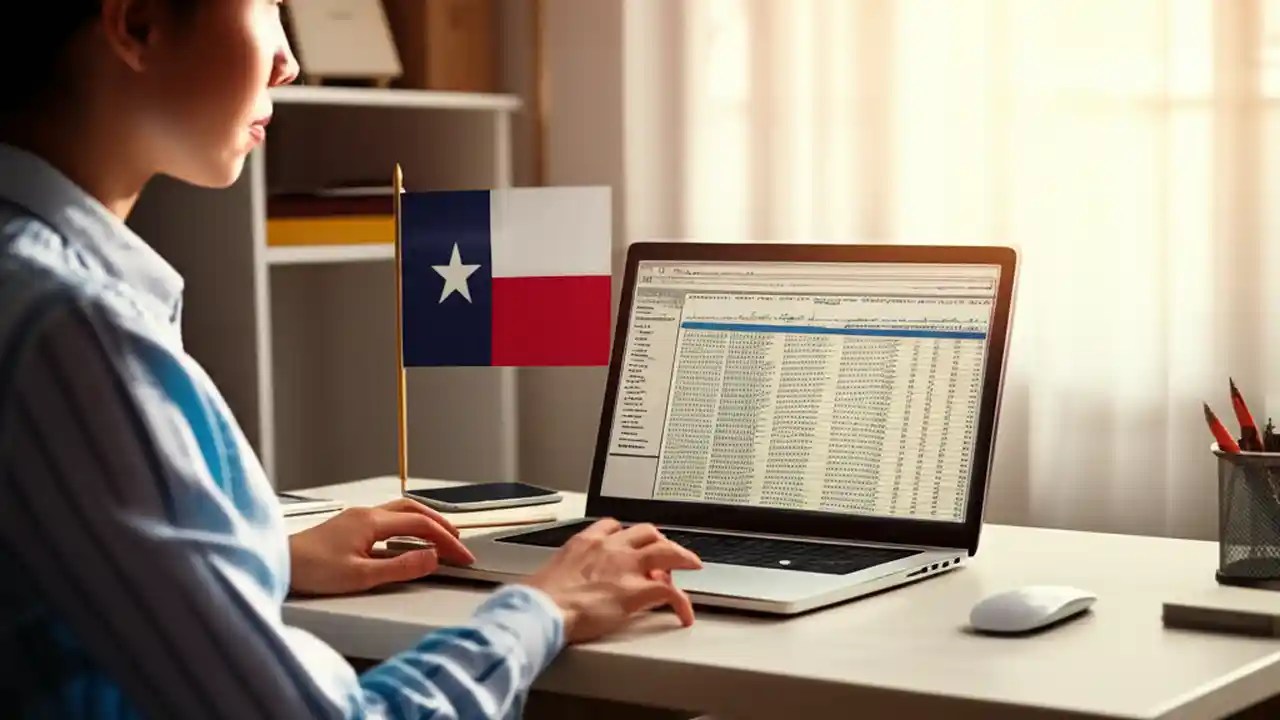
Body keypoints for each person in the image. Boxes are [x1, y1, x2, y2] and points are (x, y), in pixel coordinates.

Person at [0, 1, 702, 718]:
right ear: (139, 25)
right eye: (267, 4)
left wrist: (266, 555)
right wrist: (545, 609)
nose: (289, 62)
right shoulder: (71, 327)